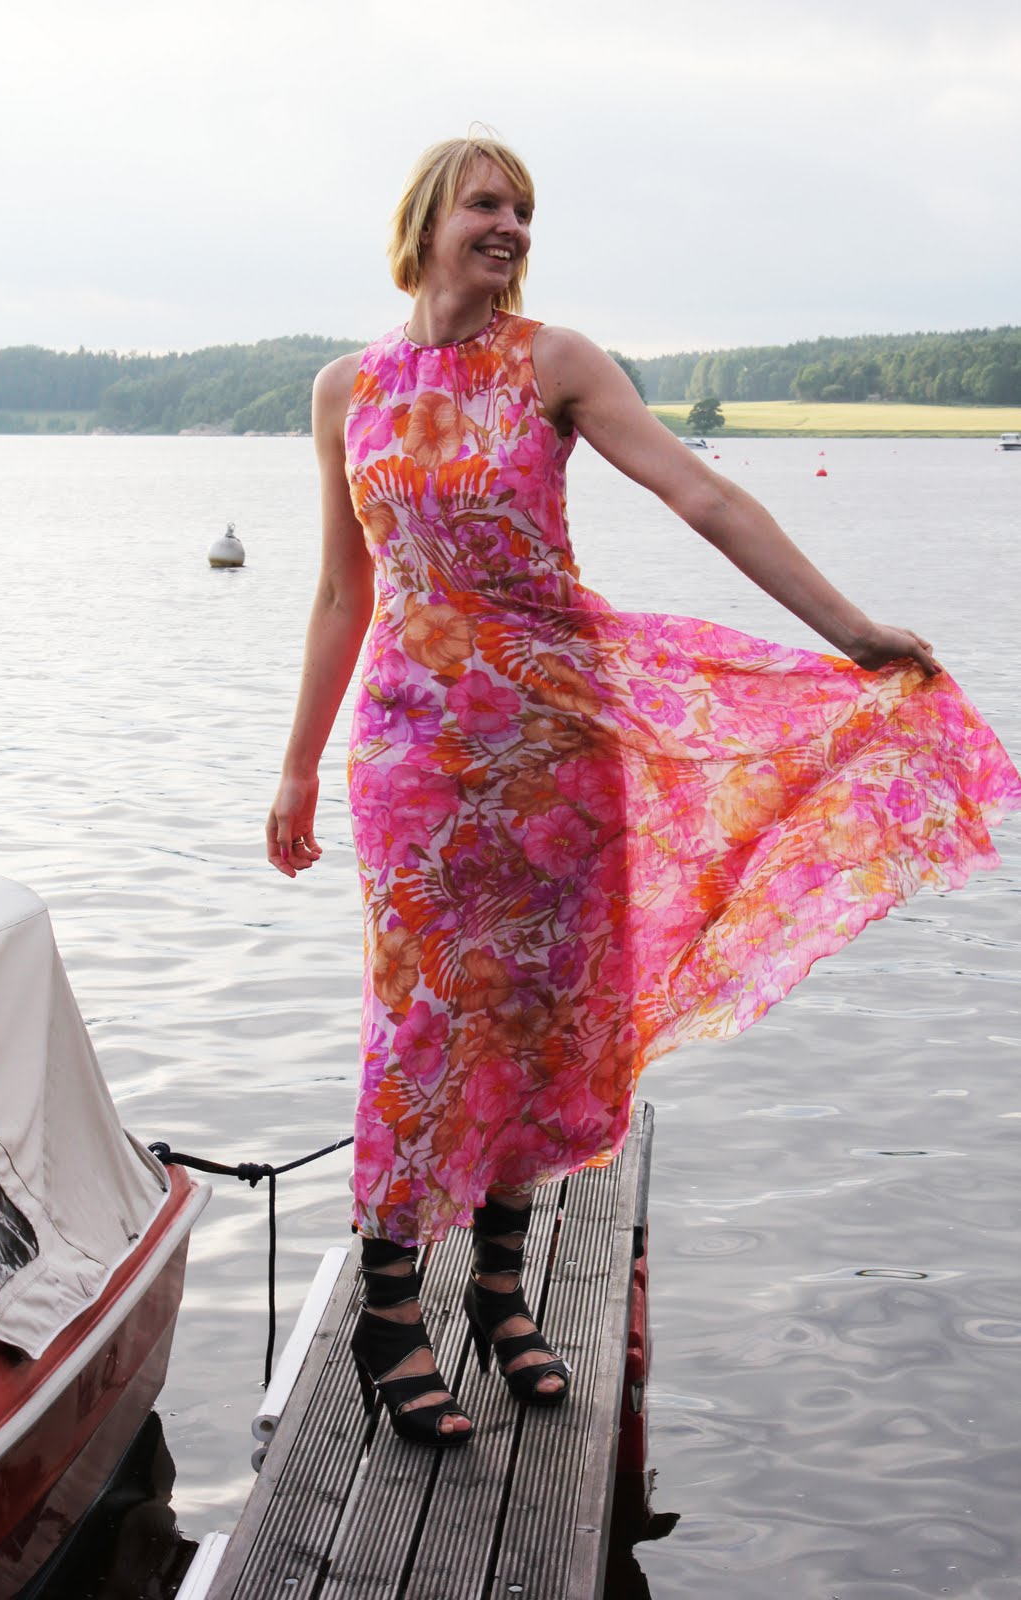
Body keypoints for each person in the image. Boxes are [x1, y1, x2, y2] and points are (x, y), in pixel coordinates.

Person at [267, 136, 1020, 1448]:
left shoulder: (555, 362)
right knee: (422, 1016)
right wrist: (293, 765)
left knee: (550, 1015)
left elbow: (700, 495)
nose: (510, 228)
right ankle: (392, 1313)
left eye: (524, 212)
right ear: (428, 219)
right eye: (488, 205)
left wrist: (850, 629)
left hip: (558, 741)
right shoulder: (347, 388)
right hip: (413, 757)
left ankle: (500, 1294)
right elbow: (344, 590)